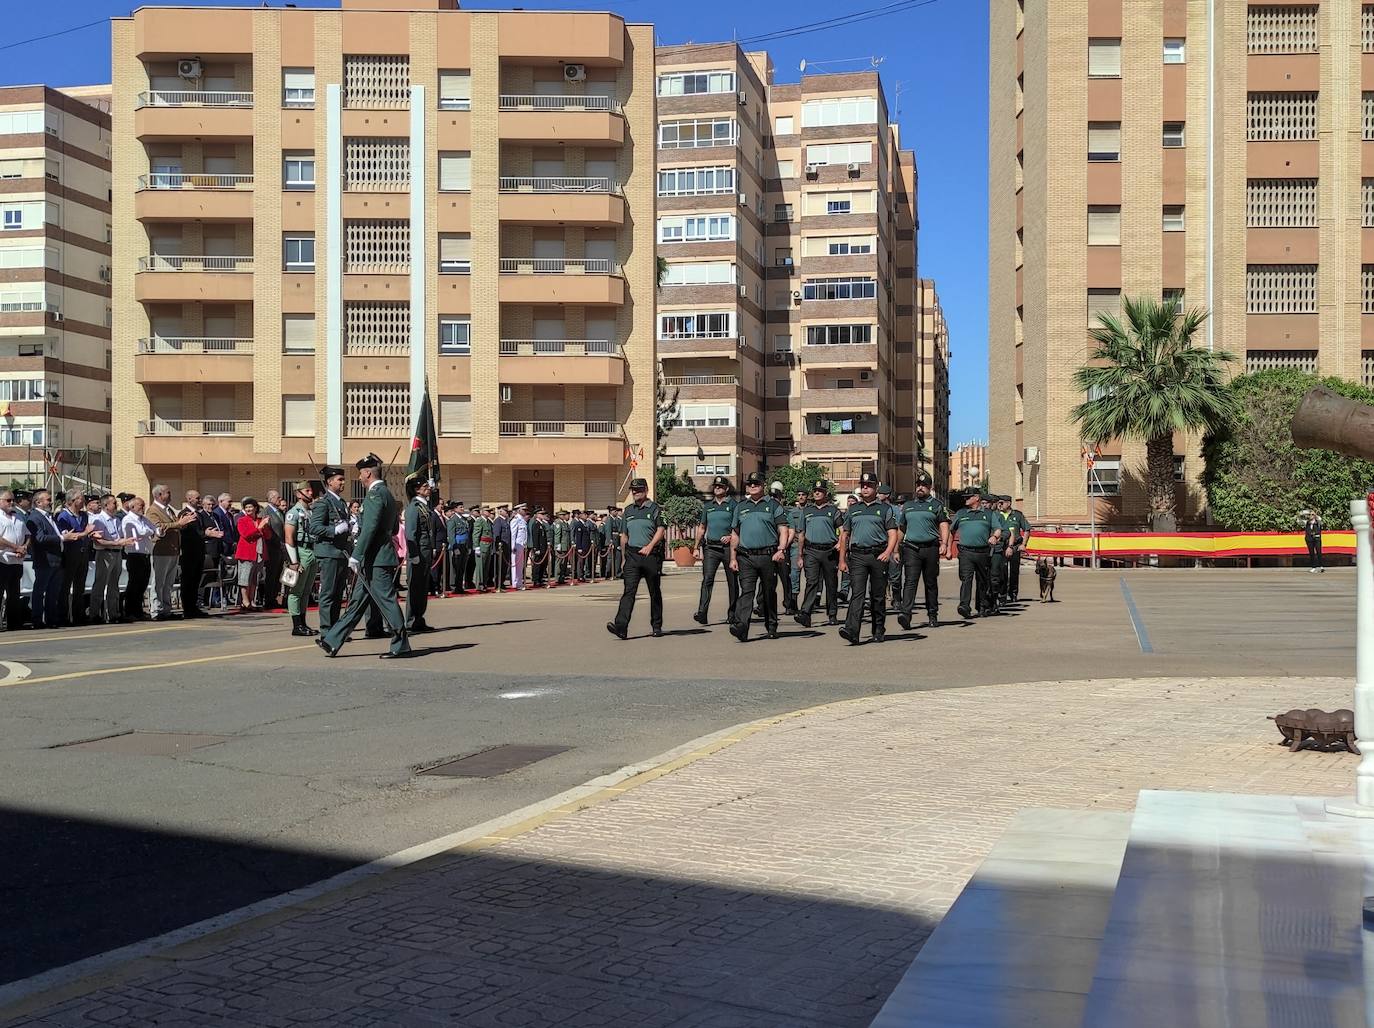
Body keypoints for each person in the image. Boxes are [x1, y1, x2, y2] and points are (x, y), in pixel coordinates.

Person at [318, 454, 411, 659]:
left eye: (360, 474)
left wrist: (357, 555)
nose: (359, 478)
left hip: (376, 559)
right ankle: (332, 640)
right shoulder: (387, 493)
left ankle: (401, 643)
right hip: (375, 557)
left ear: (368, 473)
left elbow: (369, 528)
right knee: (356, 602)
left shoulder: (375, 494)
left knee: (386, 601)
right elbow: (394, 527)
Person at [728, 471, 791, 642]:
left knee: (768, 592)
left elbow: (783, 529)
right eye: (750, 484)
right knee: (746, 592)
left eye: (756, 483)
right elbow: (735, 533)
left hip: (768, 556)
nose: (752, 486)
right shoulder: (740, 507)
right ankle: (741, 626)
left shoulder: (773, 505)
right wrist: (733, 558)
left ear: (763, 485)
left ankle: (771, 625)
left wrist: (781, 549)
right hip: (745, 557)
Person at [838, 472, 899, 645]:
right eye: (863, 485)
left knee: (877, 595)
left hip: (878, 555)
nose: (865, 488)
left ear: (876, 488)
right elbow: (845, 535)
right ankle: (852, 630)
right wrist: (842, 560)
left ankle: (878, 629)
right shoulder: (853, 509)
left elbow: (893, 533)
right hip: (857, 556)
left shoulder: (885, 509)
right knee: (857, 594)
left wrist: (888, 552)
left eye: (869, 485)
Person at [607, 478, 666, 639]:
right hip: (632, 556)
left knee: (654, 591)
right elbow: (624, 535)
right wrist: (624, 557)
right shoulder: (628, 510)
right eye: (633, 490)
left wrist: (650, 546)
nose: (635, 492)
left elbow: (661, 530)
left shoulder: (654, 508)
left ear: (646, 490)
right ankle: (621, 626)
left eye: (638, 489)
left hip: (650, 555)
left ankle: (656, 625)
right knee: (628, 592)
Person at [896, 473, 951, 630]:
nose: (920, 487)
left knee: (930, 583)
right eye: (918, 485)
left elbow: (944, 525)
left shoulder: (937, 505)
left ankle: (932, 614)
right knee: (910, 582)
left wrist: (945, 543)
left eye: (924, 485)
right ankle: (905, 614)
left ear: (930, 487)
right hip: (911, 548)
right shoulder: (907, 506)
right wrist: (895, 549)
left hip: (931, 548)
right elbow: (902, 528)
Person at [309, 467, 353, 634]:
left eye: (343, 479)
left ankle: (335, 629)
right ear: (329, 481)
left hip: (341, 552)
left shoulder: (340, 502)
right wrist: (333, 530)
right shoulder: (323, 502)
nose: (342, 483)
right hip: (329, 553)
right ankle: (327, 631)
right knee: (328, 593)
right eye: (339, 479)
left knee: (338, 594)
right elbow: (314, 527)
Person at [795, 480, 842, 628]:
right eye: (815, 490)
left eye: (820, 490)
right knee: (811, 582)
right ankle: (805, 613)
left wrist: (840, 543)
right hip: (811, 551)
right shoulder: (806, 511)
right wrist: (800, 555)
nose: (816, 493)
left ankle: (832, 613)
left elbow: (842, 530)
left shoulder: (833, 510)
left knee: (831, 583)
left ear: (825, 493)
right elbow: (801, 534)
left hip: (829, 551)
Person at [694, 476, 738, 627]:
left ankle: (732, 614)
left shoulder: (733, 504)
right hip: (711, 548)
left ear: (726, 489)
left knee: (732, 582)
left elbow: (738, 527)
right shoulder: (708, 505)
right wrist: (696, 547)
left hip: (728, 548)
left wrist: (730, 536)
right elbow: (702, 527)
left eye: (720, 486)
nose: (717, 488)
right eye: (715, 486)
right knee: (707, 579)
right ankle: (702, 612)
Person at [147, 484, 195, 620]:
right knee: (159, 582)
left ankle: (167, 609)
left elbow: (175, 524)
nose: (170, 495)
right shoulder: (153, 511)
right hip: (161, 551)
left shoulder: (169, 510)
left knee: (168, 583)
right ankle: (156, 610)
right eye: (167, 492)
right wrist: (179, 524)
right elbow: (158, 526)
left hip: (173, 551)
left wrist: (183, 523)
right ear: (159, 495)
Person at [950, 492, 1002, 619]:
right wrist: (947, 547)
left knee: (982, 580)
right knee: (966, 579)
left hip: (982, 552)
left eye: (968, 497)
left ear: (977, 498)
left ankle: (982, 606)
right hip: (965, 552)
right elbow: (952, 530)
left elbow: (997, 529)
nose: (965, 500)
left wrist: (995, 537)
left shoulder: (989, 514)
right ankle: (964, 606)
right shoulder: (961, 513)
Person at [27, 488, 69, 629]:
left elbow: (54, 533)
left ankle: (51, 618)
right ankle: (37, 619)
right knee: (40, 591)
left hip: (56, 559)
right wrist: (62, 537)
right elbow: (39, 538)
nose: (51, 502)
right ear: (38, 502)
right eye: (48, 500)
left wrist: (62, 533)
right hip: (45, 559)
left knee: (53, 591)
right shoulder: (35, 517)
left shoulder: (49, 516)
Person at [283, 480, 320, 637]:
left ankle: (303, 623)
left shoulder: (310, 512)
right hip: (301, 551)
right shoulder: (294, 512)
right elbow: (289, 537)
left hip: (312, 551)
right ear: (299, 493)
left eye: (311, 490)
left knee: (306, 591)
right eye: (307, 490)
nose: (311, 493)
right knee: (296, 591)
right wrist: (294, 562)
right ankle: (296, 625)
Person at [90, 493, 131, 625]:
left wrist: (124, 541)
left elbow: (119, 537)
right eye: (113, 503)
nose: (116, 505)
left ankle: (113, 613)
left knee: (114, 585)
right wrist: (116, 543)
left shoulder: (116, 520)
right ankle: (95, 614)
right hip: (105, 554)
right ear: (106, 505)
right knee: (100, 584)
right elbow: (98, 541)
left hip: (117, 553)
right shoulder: (98, 519)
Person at [178, 489, 219, 620]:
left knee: (196, 580)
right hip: (189, 553)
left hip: (199, 552)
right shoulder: (185, 514)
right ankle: (187, 608)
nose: (199, 500)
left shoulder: (199, 514)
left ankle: (194, 607)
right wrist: (205, 533)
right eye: (197, 498)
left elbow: (202, 530)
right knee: (188, 581)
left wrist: (208, 533)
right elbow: (191, 533)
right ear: (189, 499)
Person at [55, 490, 94, 626]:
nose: (82, 501)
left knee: (80, 586)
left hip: (83, 554)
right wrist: (85, 533)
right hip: (70, 554)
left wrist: (89, 534)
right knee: (65, 587)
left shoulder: (83, 515)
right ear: (71, 501)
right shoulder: (63, 517)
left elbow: (84, 533)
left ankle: (79, 615)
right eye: (79, 498)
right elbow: (70, 536)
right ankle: (63, 616)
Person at [404, 479, 436, 632]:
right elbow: (410, 533)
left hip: (426, 552)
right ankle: (411, 621)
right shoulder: (414, 508)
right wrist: (414, 554)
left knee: (423, 588)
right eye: (425, 486)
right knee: (415, 588)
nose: (428, 488)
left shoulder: (424, 507)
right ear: (417, 490)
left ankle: (419, 618)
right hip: (418, 553)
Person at [121, 497, 157, 621]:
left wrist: (151, 531)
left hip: (146, 554)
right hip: (134, 555)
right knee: (134, 584)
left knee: (143, 583)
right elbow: (142, 531)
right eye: (140, 506)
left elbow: (155, 529)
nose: (143, 508)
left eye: (143, 505)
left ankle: (138, 610)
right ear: (132, 507)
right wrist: (150, 531)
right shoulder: (128, 519)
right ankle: (130, 611)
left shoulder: (144, 519)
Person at [234, 498, 270, 611]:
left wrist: (264, 527)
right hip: (246, 553)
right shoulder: (242, 520)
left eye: (251, 507)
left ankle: (252, 599)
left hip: (259, 553)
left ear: (255, 508)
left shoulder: (260, 520)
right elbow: (246, 534)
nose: (249, 509)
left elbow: (268, 536)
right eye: (246, 507)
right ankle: (245, 601)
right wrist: (259, 528)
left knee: (255, 578)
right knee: (245, 578)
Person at [0, 491, 26, 630]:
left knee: (14, 594)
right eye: (8, 500)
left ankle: (14, 623)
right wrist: (16, 547)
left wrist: (24, 547)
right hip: (3, 560)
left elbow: (28, 535)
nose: (11, 503)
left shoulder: (19, 517)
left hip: (17, 561)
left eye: (13, 500)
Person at [259, 489, 286, 610]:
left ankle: (274, 597)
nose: (280, 500)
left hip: (280, 548)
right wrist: (277, 543)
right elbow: (266, 530)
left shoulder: (280, 512)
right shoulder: (266, 512)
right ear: (270, 499)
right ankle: (268, 599)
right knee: (271, 574)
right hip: (272, 548)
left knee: (278, 575)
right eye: (277, 498)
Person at [472, 505, 493, 591]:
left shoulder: (488, 521)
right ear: (482, 512)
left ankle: (484, 583)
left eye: (489, 511)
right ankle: (479, 584)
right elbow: (476, 535)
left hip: (488, 545)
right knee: (480, 566)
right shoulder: (479, 521)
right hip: (482, 545)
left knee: (486, 566)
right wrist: (476, 546)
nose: (489, 513)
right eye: (487, 511)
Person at [491, 505, 512, 590]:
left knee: (504, 566)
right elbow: (496, 535)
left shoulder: (506, 521)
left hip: (506, 546)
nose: (507, 513)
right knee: (500, 566)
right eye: (505, 511)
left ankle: (502, 582)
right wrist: (497, 547)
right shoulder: (498, 521)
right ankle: (498, 583)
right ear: (500, 512)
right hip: (501, 547)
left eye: (507, 511)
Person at [510, 503, 529, 590]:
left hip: (521, 545)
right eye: (523, 510)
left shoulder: (522, 520)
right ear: (518, 510)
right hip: (516, 546)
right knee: (515, 565)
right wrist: (512, 546)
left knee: (520, 565)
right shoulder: (516, 520)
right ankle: (515, 583)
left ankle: (519, 582)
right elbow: (513, 534)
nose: (525, 511)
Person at [530, 508, 550, 587]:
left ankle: (540, 579)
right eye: (541, 514)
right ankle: (536, 580)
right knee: (537, 565)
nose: (543, 516)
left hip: (543, 548)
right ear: (537, 515)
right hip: (539, 548)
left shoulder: (542, 524)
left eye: (543, 514)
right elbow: (535, 538)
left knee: (543, 564)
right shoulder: (536, 524)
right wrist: (536, 548)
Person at [552, 510, 571, 585]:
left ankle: (562, 577)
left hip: (565, 546)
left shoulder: (564, 523)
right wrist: (558, 545)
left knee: (564, 563)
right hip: (561, 546)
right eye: (563, 515)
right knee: (559, 563)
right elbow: (557, 535)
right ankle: (557, 577)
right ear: (560, 516)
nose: (565, 516)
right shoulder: (558, 523)